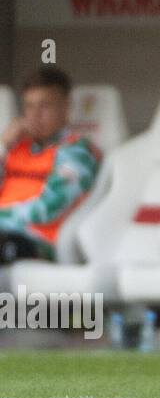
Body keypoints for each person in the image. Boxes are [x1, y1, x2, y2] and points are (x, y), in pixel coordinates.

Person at [0, 66, 100, 263]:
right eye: (29, 106)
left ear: (65, 106)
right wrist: (2, 145)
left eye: (44, 106)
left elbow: (48, 209)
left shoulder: (76, 152)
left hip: (38, 242)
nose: (35, 115)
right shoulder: (15, 146)